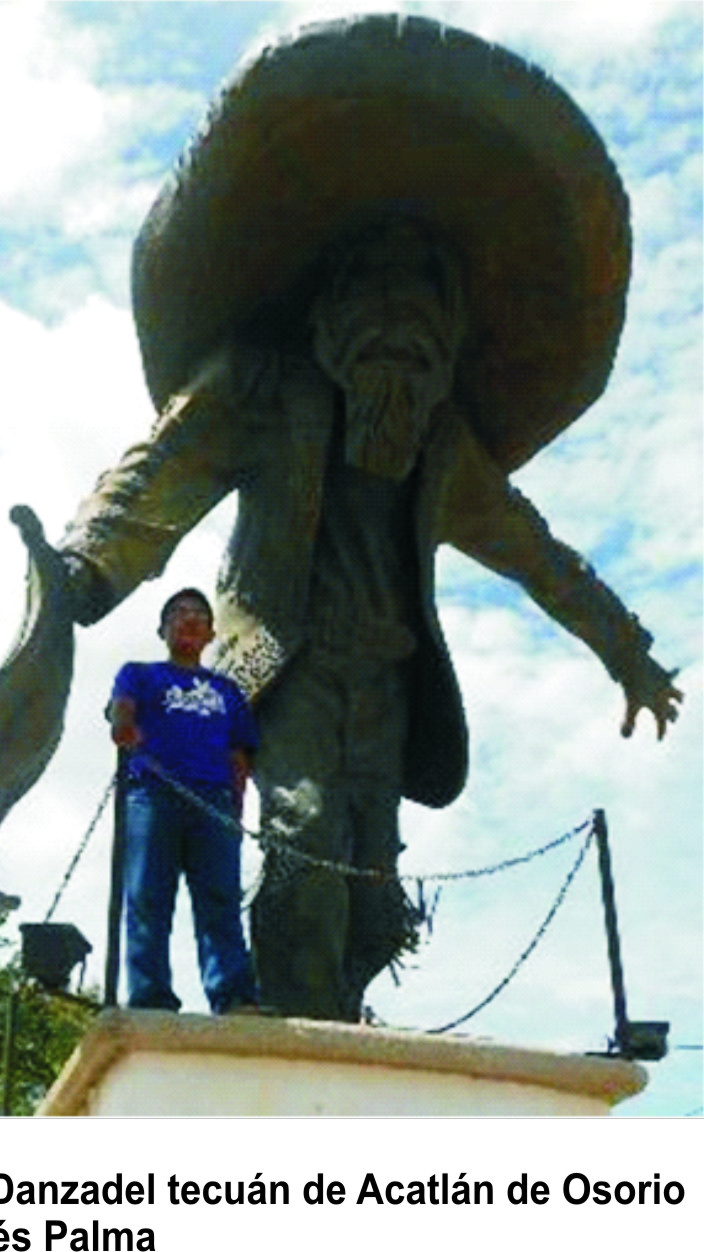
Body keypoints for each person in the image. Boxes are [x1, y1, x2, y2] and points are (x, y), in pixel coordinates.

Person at [58, 216, 682, 1022]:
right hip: (287, 670)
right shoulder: (262, 389)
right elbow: (155, 476)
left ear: (451, 332)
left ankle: (337, 1027)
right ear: (323, 315)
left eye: (421, 290)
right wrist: (80, 570)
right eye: (372, 287)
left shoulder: (444, 445)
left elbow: (542, 558)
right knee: (306, 839)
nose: (397, 310)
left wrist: (624, 650)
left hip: (385, 681)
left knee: (373, 889)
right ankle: (292, 1027)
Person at [108, 588, 259, 1014]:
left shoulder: (228, 691)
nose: (189, 619)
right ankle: (150, 998)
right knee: (147, 898)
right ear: (163, 628)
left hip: (213, 803)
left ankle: (233, 995)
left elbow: (239, 754)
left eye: (199, 614)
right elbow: (122, 712)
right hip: (153, 794)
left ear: (211, 633)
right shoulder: (139, 673)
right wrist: (124, 727)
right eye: (179, 613)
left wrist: (236, 806)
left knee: (220, 901)